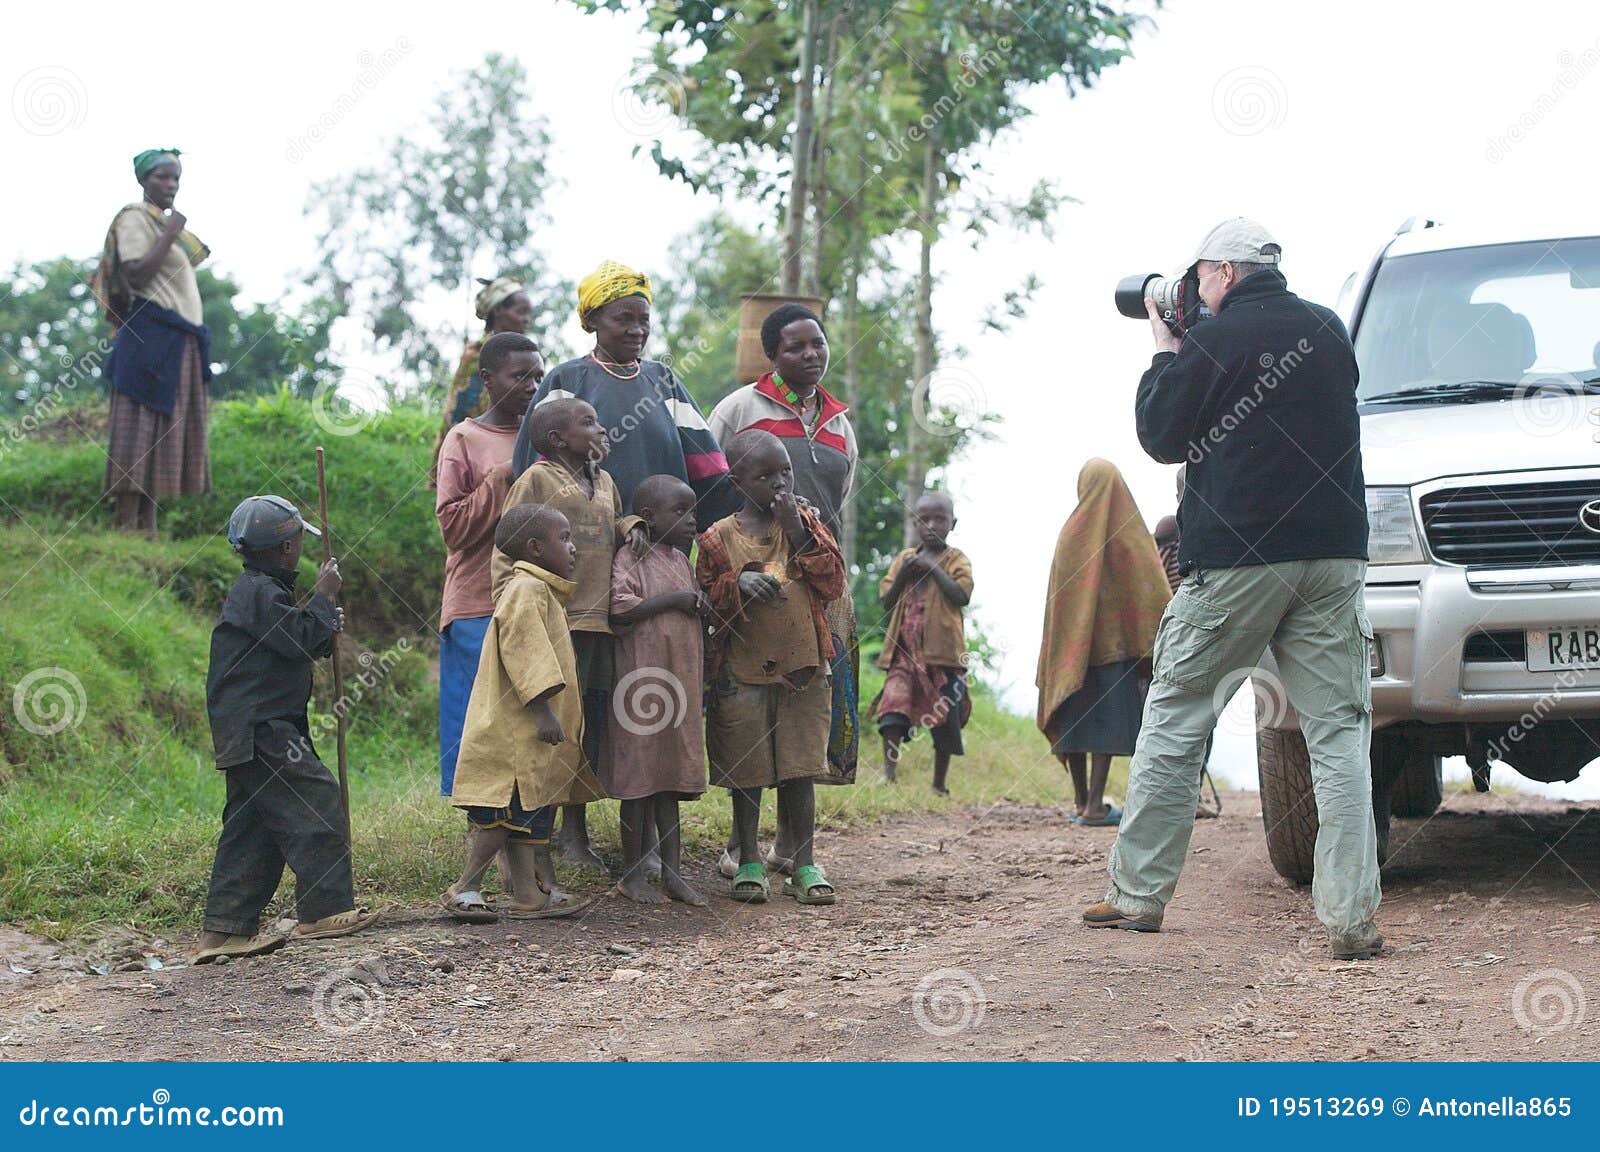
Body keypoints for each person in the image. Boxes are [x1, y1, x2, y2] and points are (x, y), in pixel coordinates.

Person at [1082, 218, 1379, 960]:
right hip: (1333, 556)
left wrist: (1164, 348)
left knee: (1179, 715)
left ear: (1220, 273)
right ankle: (1350, 920)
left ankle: (1139, 896)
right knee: (1338, 731)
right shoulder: (1329, 329)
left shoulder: (1214, 338)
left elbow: (1160, 436)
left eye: (1198, 281)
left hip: (1238, 562)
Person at [512, 259, 737, 872]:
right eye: (623, 317)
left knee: (642, 694)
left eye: (644, 318)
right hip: (578, 573)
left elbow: (709, 468)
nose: (636, 328)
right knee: (582, 692)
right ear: (592, 320)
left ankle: (646, 838)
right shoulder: (566, 380)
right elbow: (530, 473)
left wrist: (713, 532)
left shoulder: (664, 382)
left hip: (655, 562)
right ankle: (571, 833)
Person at [707, 302, 860, 878]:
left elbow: (835, 503)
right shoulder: (739, 408)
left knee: (809, 705)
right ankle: (739, 847)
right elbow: (711, 481)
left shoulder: (840, 422)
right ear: (772, 354)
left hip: (818, 580)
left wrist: (807, 544)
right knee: (747, 706)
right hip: (750, 580)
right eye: (796, 347)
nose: (811, 355)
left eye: (818, 344)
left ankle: (795, 848)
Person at [194, 496, 380, 963]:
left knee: (252, 829)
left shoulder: (261, 591)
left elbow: (304, 637)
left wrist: (323, 613)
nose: (299, 547)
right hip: (262, 728)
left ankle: (225, 931)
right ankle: (325, 911)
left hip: (252, 727)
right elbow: (299, 641)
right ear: (286, 550)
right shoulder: (258, 593)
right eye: (297, 540)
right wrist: (324, 595)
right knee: (317, 802)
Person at [496, 397, 644, 873]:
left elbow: (608, 525)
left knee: (587, 728)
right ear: (558, 439)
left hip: (600, 624)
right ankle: (535, 839)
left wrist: (631, 525)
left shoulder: (605, 481)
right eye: (589, 422)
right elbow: (507, 544)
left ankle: (574, 831)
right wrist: (510, 601)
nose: (601, 429)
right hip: (556, 622)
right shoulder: (536, 480)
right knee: (551, 730)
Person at [698, 430, 845, 906]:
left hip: (804, 668)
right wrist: (736, 582)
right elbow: (705, 601)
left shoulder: (804, 523)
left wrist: (798, 532)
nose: (779, 483)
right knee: (748, 769)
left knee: (800, 768)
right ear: (738, 482)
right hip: (741, 672)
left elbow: (833, 580)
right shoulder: (718, 537)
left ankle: (803, 862)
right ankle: (749, 860)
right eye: (765, 476)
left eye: (785, 471)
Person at [443, 505, 595, 922]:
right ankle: (464, 885)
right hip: (518, 727)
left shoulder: (542, 590)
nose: (572, 547)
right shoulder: (526, 590)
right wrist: (543, 710)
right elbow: (523, 650)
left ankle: (528, 894)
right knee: (502, 815)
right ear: (534, 548)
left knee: (528, 813)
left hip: (531, 732)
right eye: (563, 538)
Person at [435, 332, 542, 797]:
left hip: (533, 601)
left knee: (530, 713)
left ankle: (524, 830)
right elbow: (453, 527)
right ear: (488, 379)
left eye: (538, 376)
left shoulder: (544, 436)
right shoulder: (464, 438)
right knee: (476, 716)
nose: (531, 386)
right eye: (519, 376)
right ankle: (481, 826)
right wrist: (501, 479)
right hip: (476, 600)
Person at [1036, 460, 1172, 825]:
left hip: (1072, 654)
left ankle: (1082, 802)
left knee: (1075, 721)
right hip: (1115, 650)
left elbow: (1059, 603)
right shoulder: (1130, 533)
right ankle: (1095, 803)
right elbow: (1153, 590)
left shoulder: (1071, 535)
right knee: (1107, 725)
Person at [96, 148, 212, 535]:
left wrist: (170, 232)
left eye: (176, 178)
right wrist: (169, 234)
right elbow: (136, 274)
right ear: (144, 180)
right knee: (137, 428)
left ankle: (149, 529)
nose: (171, 185)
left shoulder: (162, 225)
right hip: (148, 337)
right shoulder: (135, 218)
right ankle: (126, 524)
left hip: (177, 339)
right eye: (162, 177)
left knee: (162, 430)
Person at [607, 474, 710, 907]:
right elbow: (621, 608)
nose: (692, 521)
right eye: (681, 512)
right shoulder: (633, 554)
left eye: (693, 512)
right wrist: (674, 602)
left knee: (669, 779)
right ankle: (632, 874)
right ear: (648, 517)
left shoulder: (681, 560)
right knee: (639, 777)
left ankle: (673, 872)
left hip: (680, 688)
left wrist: (698, 600)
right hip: (640, 687)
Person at [874, 492, 974, 795]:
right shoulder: (905, 559)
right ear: (915, 522)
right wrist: (907, 571)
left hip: (943, 656)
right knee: (892, 710)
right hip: (903, 652)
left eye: (939, 519)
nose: (931, 525)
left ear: (952, 523)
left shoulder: (957, 559)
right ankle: (889, 775)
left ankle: (938, 784)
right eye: (924, 519)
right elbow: (886, 600)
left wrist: (933, 569)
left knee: (943, 719)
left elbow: (962, 595)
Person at [429, 276, 538, 486]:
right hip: (477, 453)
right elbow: (459, 410)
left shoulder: (529, 355)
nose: (526, 319)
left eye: (528, 314)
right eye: (520, 312)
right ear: (498, 311)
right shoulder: (477, 355)